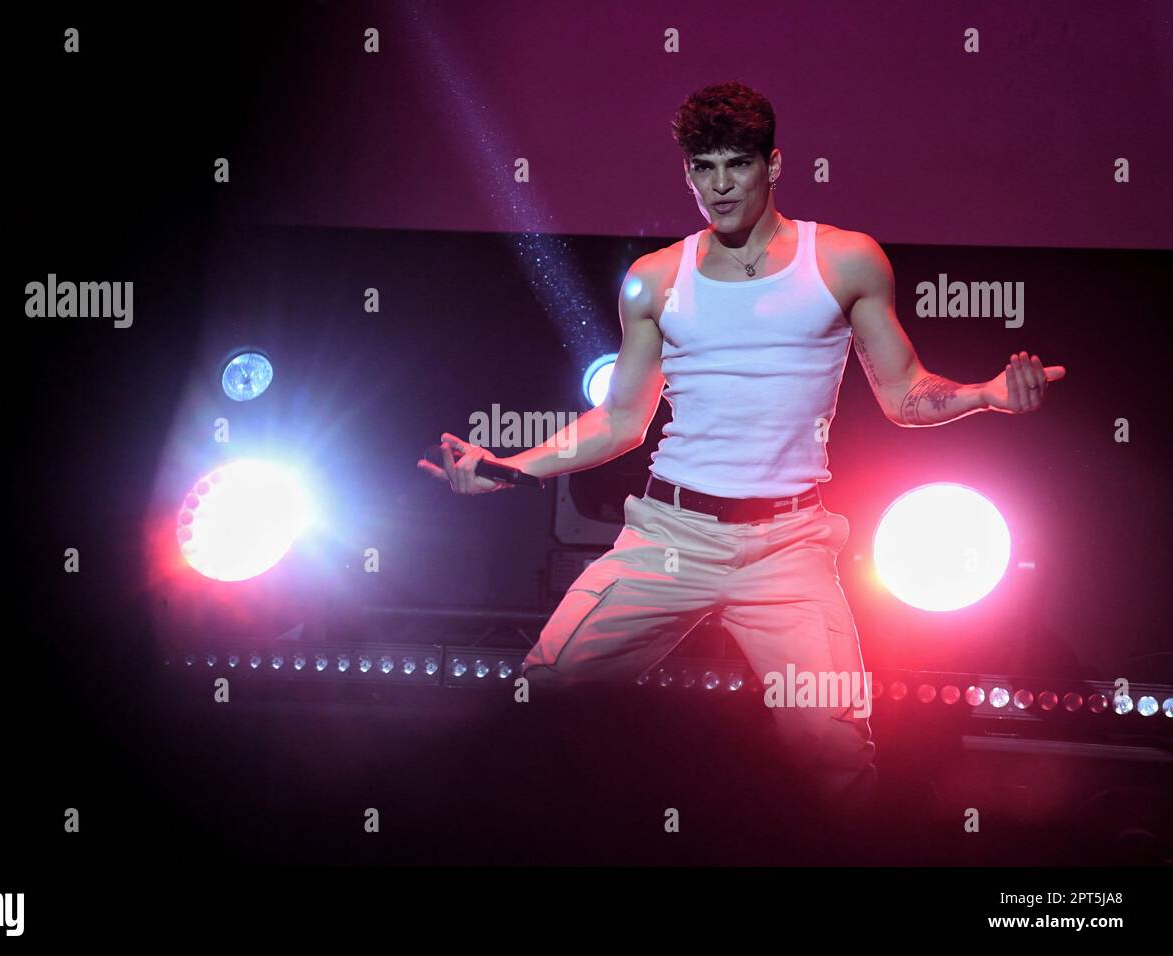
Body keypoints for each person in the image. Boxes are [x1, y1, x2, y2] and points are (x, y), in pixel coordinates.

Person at [417, 81, 1065, 815]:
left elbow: (903, 392)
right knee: (541, 697)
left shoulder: (846, 262)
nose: (720, 186)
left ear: (773, 164)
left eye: (737, 165)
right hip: (671, 535)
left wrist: (984, 394)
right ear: (686, 174)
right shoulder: (654, 281)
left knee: (834, 749)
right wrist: (510, 467)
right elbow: (620, 421)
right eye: (704, 168)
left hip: (788, 545)